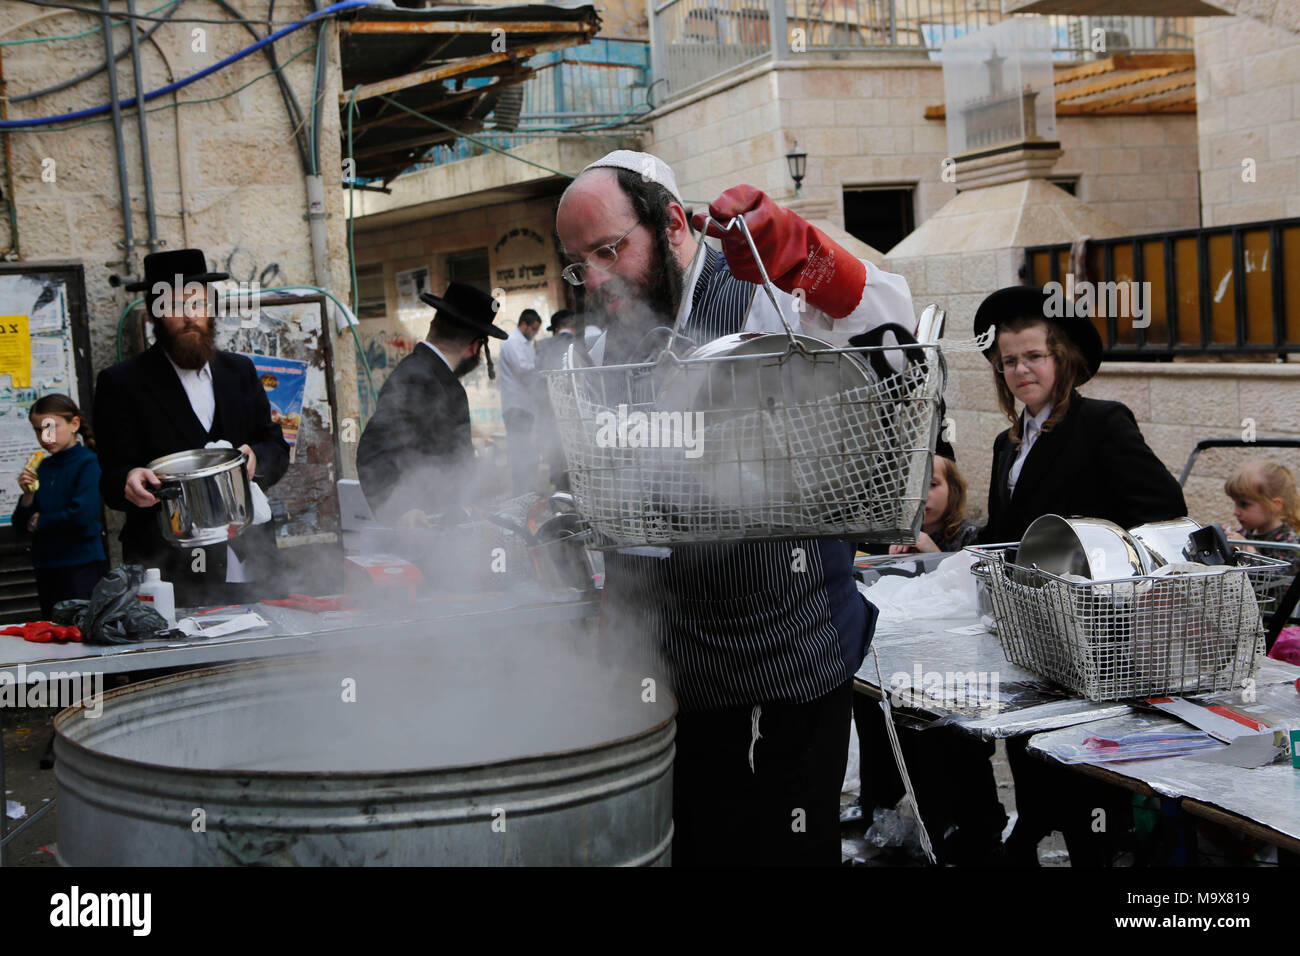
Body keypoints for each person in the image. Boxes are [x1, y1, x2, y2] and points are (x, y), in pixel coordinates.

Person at [555, 149, 916, 866]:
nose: (595, 280)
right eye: (578, 264)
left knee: (794, 843)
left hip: (795, 623)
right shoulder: (604, 347)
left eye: (608, 250)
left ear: (671, 223)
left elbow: (891, 341)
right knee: (702, 838)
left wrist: (807, 257)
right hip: (680, 641)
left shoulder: (759, 291)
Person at [973, 284, 1187, 866]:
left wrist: (1110, 573)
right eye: (1009, 360)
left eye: (1034, 356)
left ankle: (1094, 851)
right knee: (1028, 751)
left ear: (1061, 357)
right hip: (1029, 631)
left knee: (1083, 773)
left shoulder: (1101, 423)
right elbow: (1007, 530)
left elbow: (1165, 513)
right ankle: (1031, 833)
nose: (1021, 370)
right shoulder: (1006, 442)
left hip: (1098, 631)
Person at [95, 248, 290, 610]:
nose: (188, 317)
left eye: (196, 303)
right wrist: (129, 480)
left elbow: (275, 445)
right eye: (173, 306)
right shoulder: (121, 383)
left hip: (251, 561)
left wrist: (256, 459)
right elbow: (110, 478)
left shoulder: (240, 372)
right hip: (169, 570)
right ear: (156, 313)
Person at [356, 282, 507, 525]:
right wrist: (402, 511)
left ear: (432, 325)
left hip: (446, 524)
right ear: (475, 347)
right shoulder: (419, 378)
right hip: (425, 530)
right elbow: (373, 451)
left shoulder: (432, 374)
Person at [11, 394, 107, 618]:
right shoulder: (43, 467)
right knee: (52, 632)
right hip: (46, 565)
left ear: (74, 424)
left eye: (51, 427)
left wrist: (40, 521)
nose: (45, 436)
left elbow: (82, 515)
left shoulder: (88, 462)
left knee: (80, 633)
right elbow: (19, 524)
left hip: (81, 564)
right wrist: (27, 497)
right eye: (38, 430)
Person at [533, 309, 586, 492]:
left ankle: (561, 495)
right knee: (579, 455)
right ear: (573, 327)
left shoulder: (542, 346)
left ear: (555, 329)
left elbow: (538, 379)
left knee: (555, 452)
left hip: (551, 412)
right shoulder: (582, 345)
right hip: (578, 413)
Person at [889, 455, 980, 555]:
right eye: (913, 485)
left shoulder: (972, 537)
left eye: (932, 484)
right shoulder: (897, 534)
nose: (921, 496)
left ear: (953, 489)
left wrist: (934, 555)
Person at [1222, 459, 1300, 576]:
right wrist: (1222, 542)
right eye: (1235, 503)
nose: (1236, 512)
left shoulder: (1289, 542)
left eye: (1244, 504)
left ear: (1274, 505)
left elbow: (1276, 582)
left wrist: (1247, 548)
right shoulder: (1245, 532)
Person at [496, 308, 541, 494]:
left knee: (526, 450)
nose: (535, 333)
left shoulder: (525, 342)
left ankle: (528, 490)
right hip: (515, 406)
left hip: (525, 405)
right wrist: (542, 367)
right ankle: (521, 492)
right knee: (520, 450)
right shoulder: (512, 341)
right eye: (534, 329)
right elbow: (523, 369)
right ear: (524, 325)